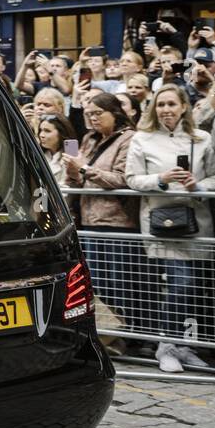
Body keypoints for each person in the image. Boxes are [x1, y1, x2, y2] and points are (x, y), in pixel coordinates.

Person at [125, 84, 215, 373]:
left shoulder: (202, 138)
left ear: (183, 106)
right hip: (162, 223)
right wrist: (161, 178)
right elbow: (132, 179)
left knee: (194, 289)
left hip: (197, 222)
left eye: (171, 104)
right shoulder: (142, 138)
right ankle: (165, 346)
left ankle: (185, 345)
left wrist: (199, 185)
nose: (166, 109)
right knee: (180, 286)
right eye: (160, 104)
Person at [62, 93, 140, 337]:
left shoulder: (128, 139)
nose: (93, 119)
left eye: (98, 113)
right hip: (88, 219)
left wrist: (85, 168)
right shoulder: (88, 139)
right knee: (97, 283)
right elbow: (76, 180)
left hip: (117, 221)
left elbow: (122, 178)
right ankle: (108, 336)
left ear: (114, 113)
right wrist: (73, 171)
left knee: (119, 284)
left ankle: (128, 336)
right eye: (89, 114)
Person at [36, 114, 78, 187]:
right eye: (40, 130)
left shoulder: (72, 156)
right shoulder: (37, 154)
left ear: (61, 133)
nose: (41, 135)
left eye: (47, 131)